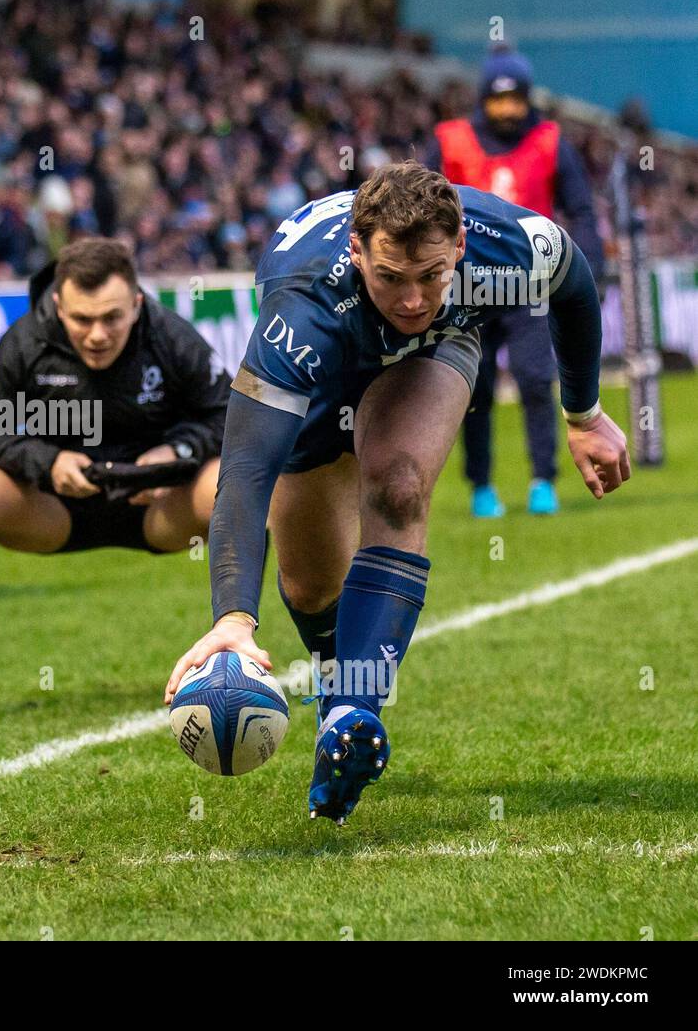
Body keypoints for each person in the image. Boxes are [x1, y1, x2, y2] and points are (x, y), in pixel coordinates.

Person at [165, 163, 629, 825]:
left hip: (432, 357)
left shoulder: (511, 242)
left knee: (400, 485)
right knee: (311, 585)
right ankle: (338, 689)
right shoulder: (302, 307)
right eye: (390, 277)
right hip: (327, 372)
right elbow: (244, 467)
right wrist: (233, 619)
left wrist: (583, 413)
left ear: (461, 247)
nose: (413, 299)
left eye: (431, 275)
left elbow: (576, 282)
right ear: (357, 252)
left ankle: (354, 710)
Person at [0, 236, 230, 720]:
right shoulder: (27, 340)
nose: (97, 334)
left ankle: (237, 662)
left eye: (112, 318)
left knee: (237, 488)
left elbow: (230, 415)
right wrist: (46, 461)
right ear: (58, 304)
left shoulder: (169, 334)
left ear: (137, 304)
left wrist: (174, 455)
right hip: (55, 510)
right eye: (82, 319)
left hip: (158, 508)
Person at [422, 49, 604, 518]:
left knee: (535, 379)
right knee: (473, 387)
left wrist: (591, 271)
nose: (508, 110)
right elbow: (417, 205)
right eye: (499, 100)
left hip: (530, 286)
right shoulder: (451, 140)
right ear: (484, 99)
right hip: (467, 288)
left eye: (516, 100)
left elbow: (581, 210)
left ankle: (543, 479)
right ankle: (481, 486)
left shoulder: (550, 141)